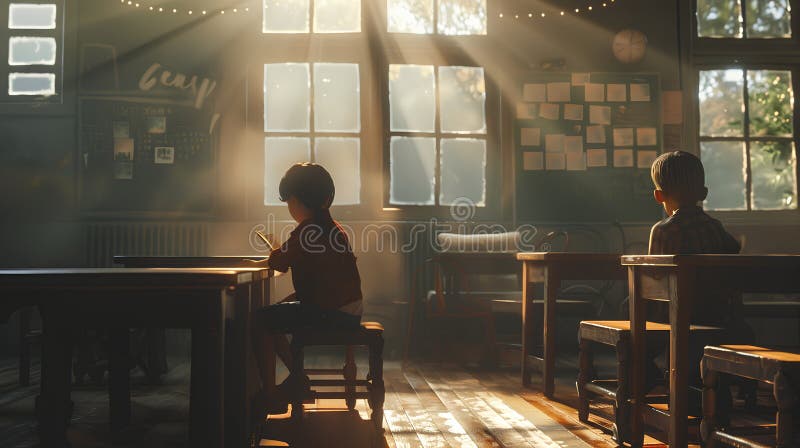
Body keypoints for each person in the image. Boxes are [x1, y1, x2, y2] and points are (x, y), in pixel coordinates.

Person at [252, 163, 363, 413]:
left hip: (331, 312)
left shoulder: (307, 230)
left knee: (260, 320)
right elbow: (324, 281)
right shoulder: (333, 227)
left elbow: (278, 263)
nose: (290, 208)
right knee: (277, 312)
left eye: (290, 202)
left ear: (297, 201)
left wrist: (276, 249)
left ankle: (271, 394)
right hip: (349, 308)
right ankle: (297, 378)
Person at [646, 150, 752, 407]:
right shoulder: (715, 227)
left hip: (678, 315)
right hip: (718, 314)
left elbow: (653, 279)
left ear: (659, 195)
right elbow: (733, 254)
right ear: (703, 193)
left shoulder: (663, 230)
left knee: (629, 305)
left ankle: (646, 372)